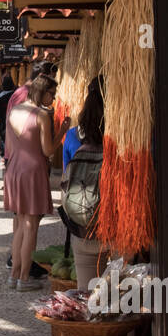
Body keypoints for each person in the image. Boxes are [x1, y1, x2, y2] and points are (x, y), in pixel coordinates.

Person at [4, 75, 69, 291]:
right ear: (43, 92)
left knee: (21, 226)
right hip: (33, 171)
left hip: (14, 169)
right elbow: (48, 150)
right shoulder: (41, 115)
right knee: (31, 227)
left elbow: (11, 144)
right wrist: (62, 131)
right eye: (52, 93)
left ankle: (14, 276)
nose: (53, 97)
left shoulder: (14, 110)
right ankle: (24, 278)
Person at [62, 76, 110, 290]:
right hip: (117, 229)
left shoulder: (73, 136)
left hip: (82, 226)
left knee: (87, 297)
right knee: (118, 301)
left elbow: (66, 179)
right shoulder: (125, 137)